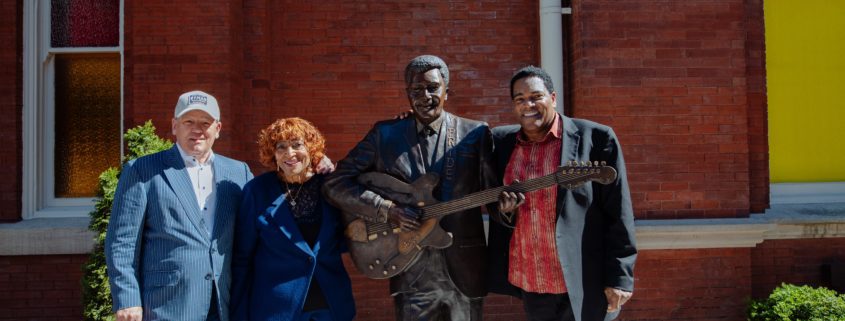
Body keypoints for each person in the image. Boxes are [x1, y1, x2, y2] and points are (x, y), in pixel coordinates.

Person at [323, 54, 498, 321]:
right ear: (407, 94)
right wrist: (386, 209)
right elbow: (335, 183)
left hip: (464, 269)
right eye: (417, 90)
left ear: (447, 92)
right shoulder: (386, 134)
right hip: (408, 268)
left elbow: (495, 197)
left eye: (433, 87)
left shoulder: (475, 133)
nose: (425, 96)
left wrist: (508, 208)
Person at [490, 66, 638, 321]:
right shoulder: (500, 143)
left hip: (583, 279)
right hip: (532, 281)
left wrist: (620, 277)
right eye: (520, 99)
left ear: (553, 98)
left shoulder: (597, 139)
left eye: (536, 96)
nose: (529, 105)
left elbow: (619, 213)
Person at [105, 90, 254, 321]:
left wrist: (317, 168)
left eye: (205, 122)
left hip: (224, 301)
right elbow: (122, 241)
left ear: (218, 128)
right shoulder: (143, 170)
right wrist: (128, 298)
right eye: (188, 122)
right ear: (175, 126)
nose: (197, 129)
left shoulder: (238, 172)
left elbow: (260, 221)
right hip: (167, 303)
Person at [230, 117, 355, 321]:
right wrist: (238, 313)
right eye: (281, 147)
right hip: (276, 309)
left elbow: (347, 238)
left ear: (311, 148)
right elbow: (242, 259)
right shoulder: (256, 191)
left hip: (331, 306)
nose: (290, 154)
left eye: (297, 145)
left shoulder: (330, 186)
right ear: (273, 154)